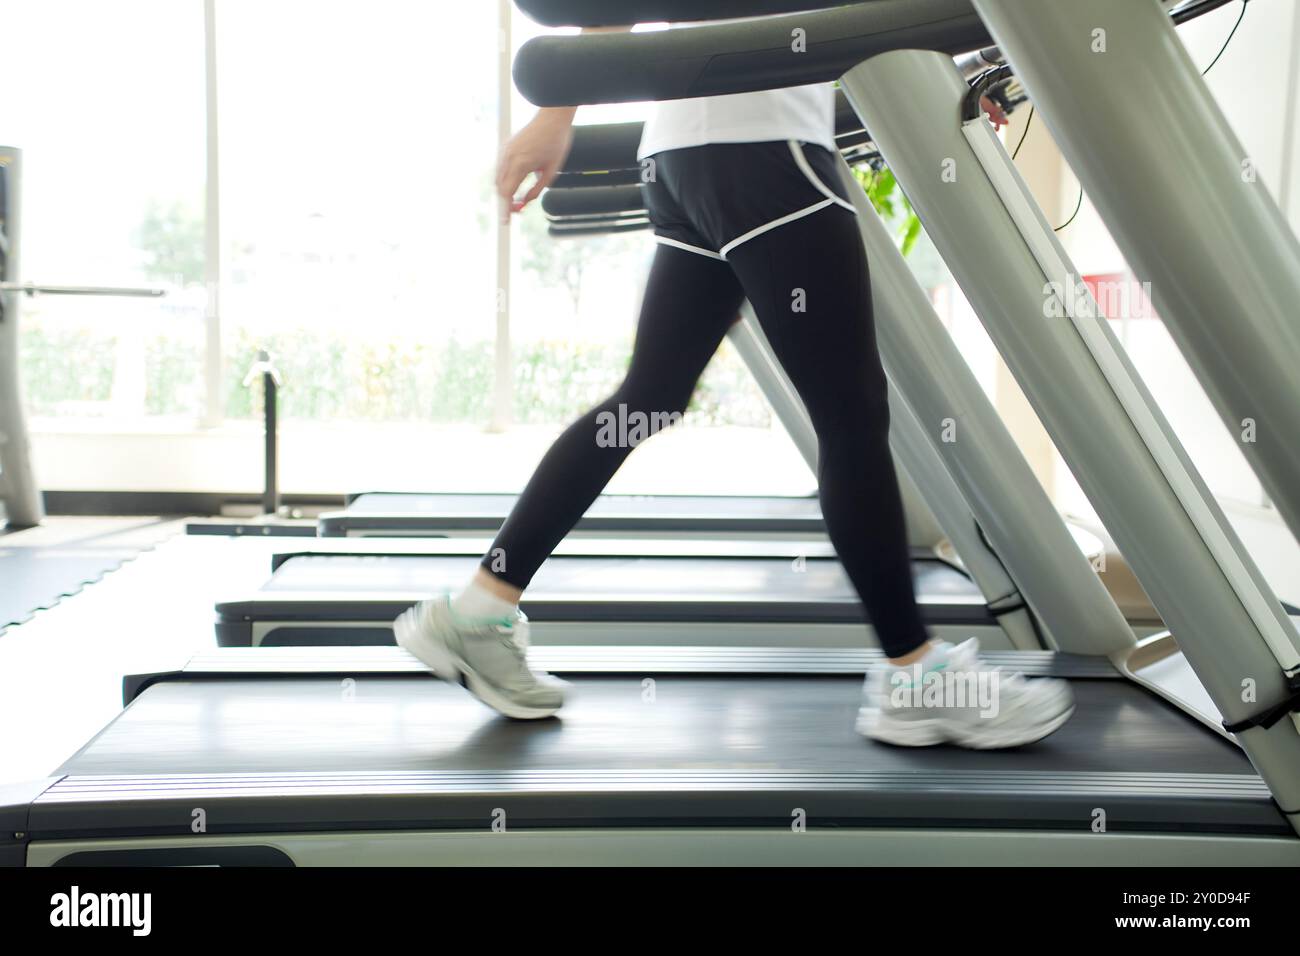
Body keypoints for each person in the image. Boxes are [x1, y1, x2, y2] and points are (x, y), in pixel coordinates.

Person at [397, 57, 1075, 748]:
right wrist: (553, 110)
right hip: (767, 146)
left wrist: (557, 113)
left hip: (679, 157)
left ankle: (482, 608)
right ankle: (915, 676)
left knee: (649, 398)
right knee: (851, 414)